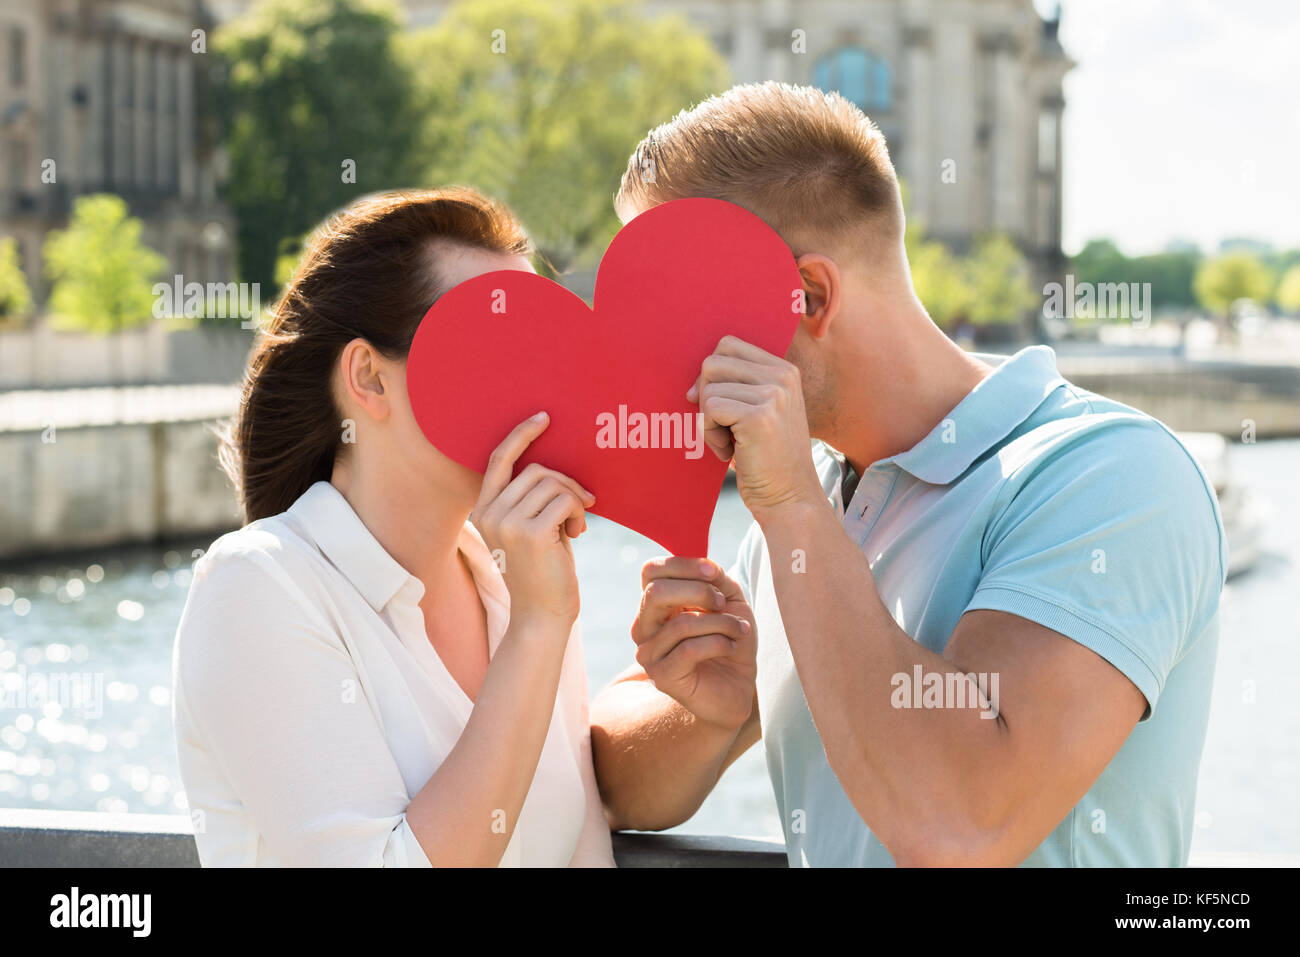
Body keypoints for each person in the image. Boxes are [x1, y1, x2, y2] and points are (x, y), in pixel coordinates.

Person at [590, 83, 1226, 867]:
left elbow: (961, 824)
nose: (647, 354)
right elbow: (611, 789)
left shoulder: (1109, 479)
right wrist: (711, 716)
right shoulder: (811, 497)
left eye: (666, 310)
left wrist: (792, 510)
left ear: (808, 296)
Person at [172, 188, 614, 867]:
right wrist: (536, 628)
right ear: (370, 379)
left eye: (540, 349)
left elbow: (586, 850)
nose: (531, 386)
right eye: (492, 344)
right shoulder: (257, 587)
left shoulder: (518, 585)